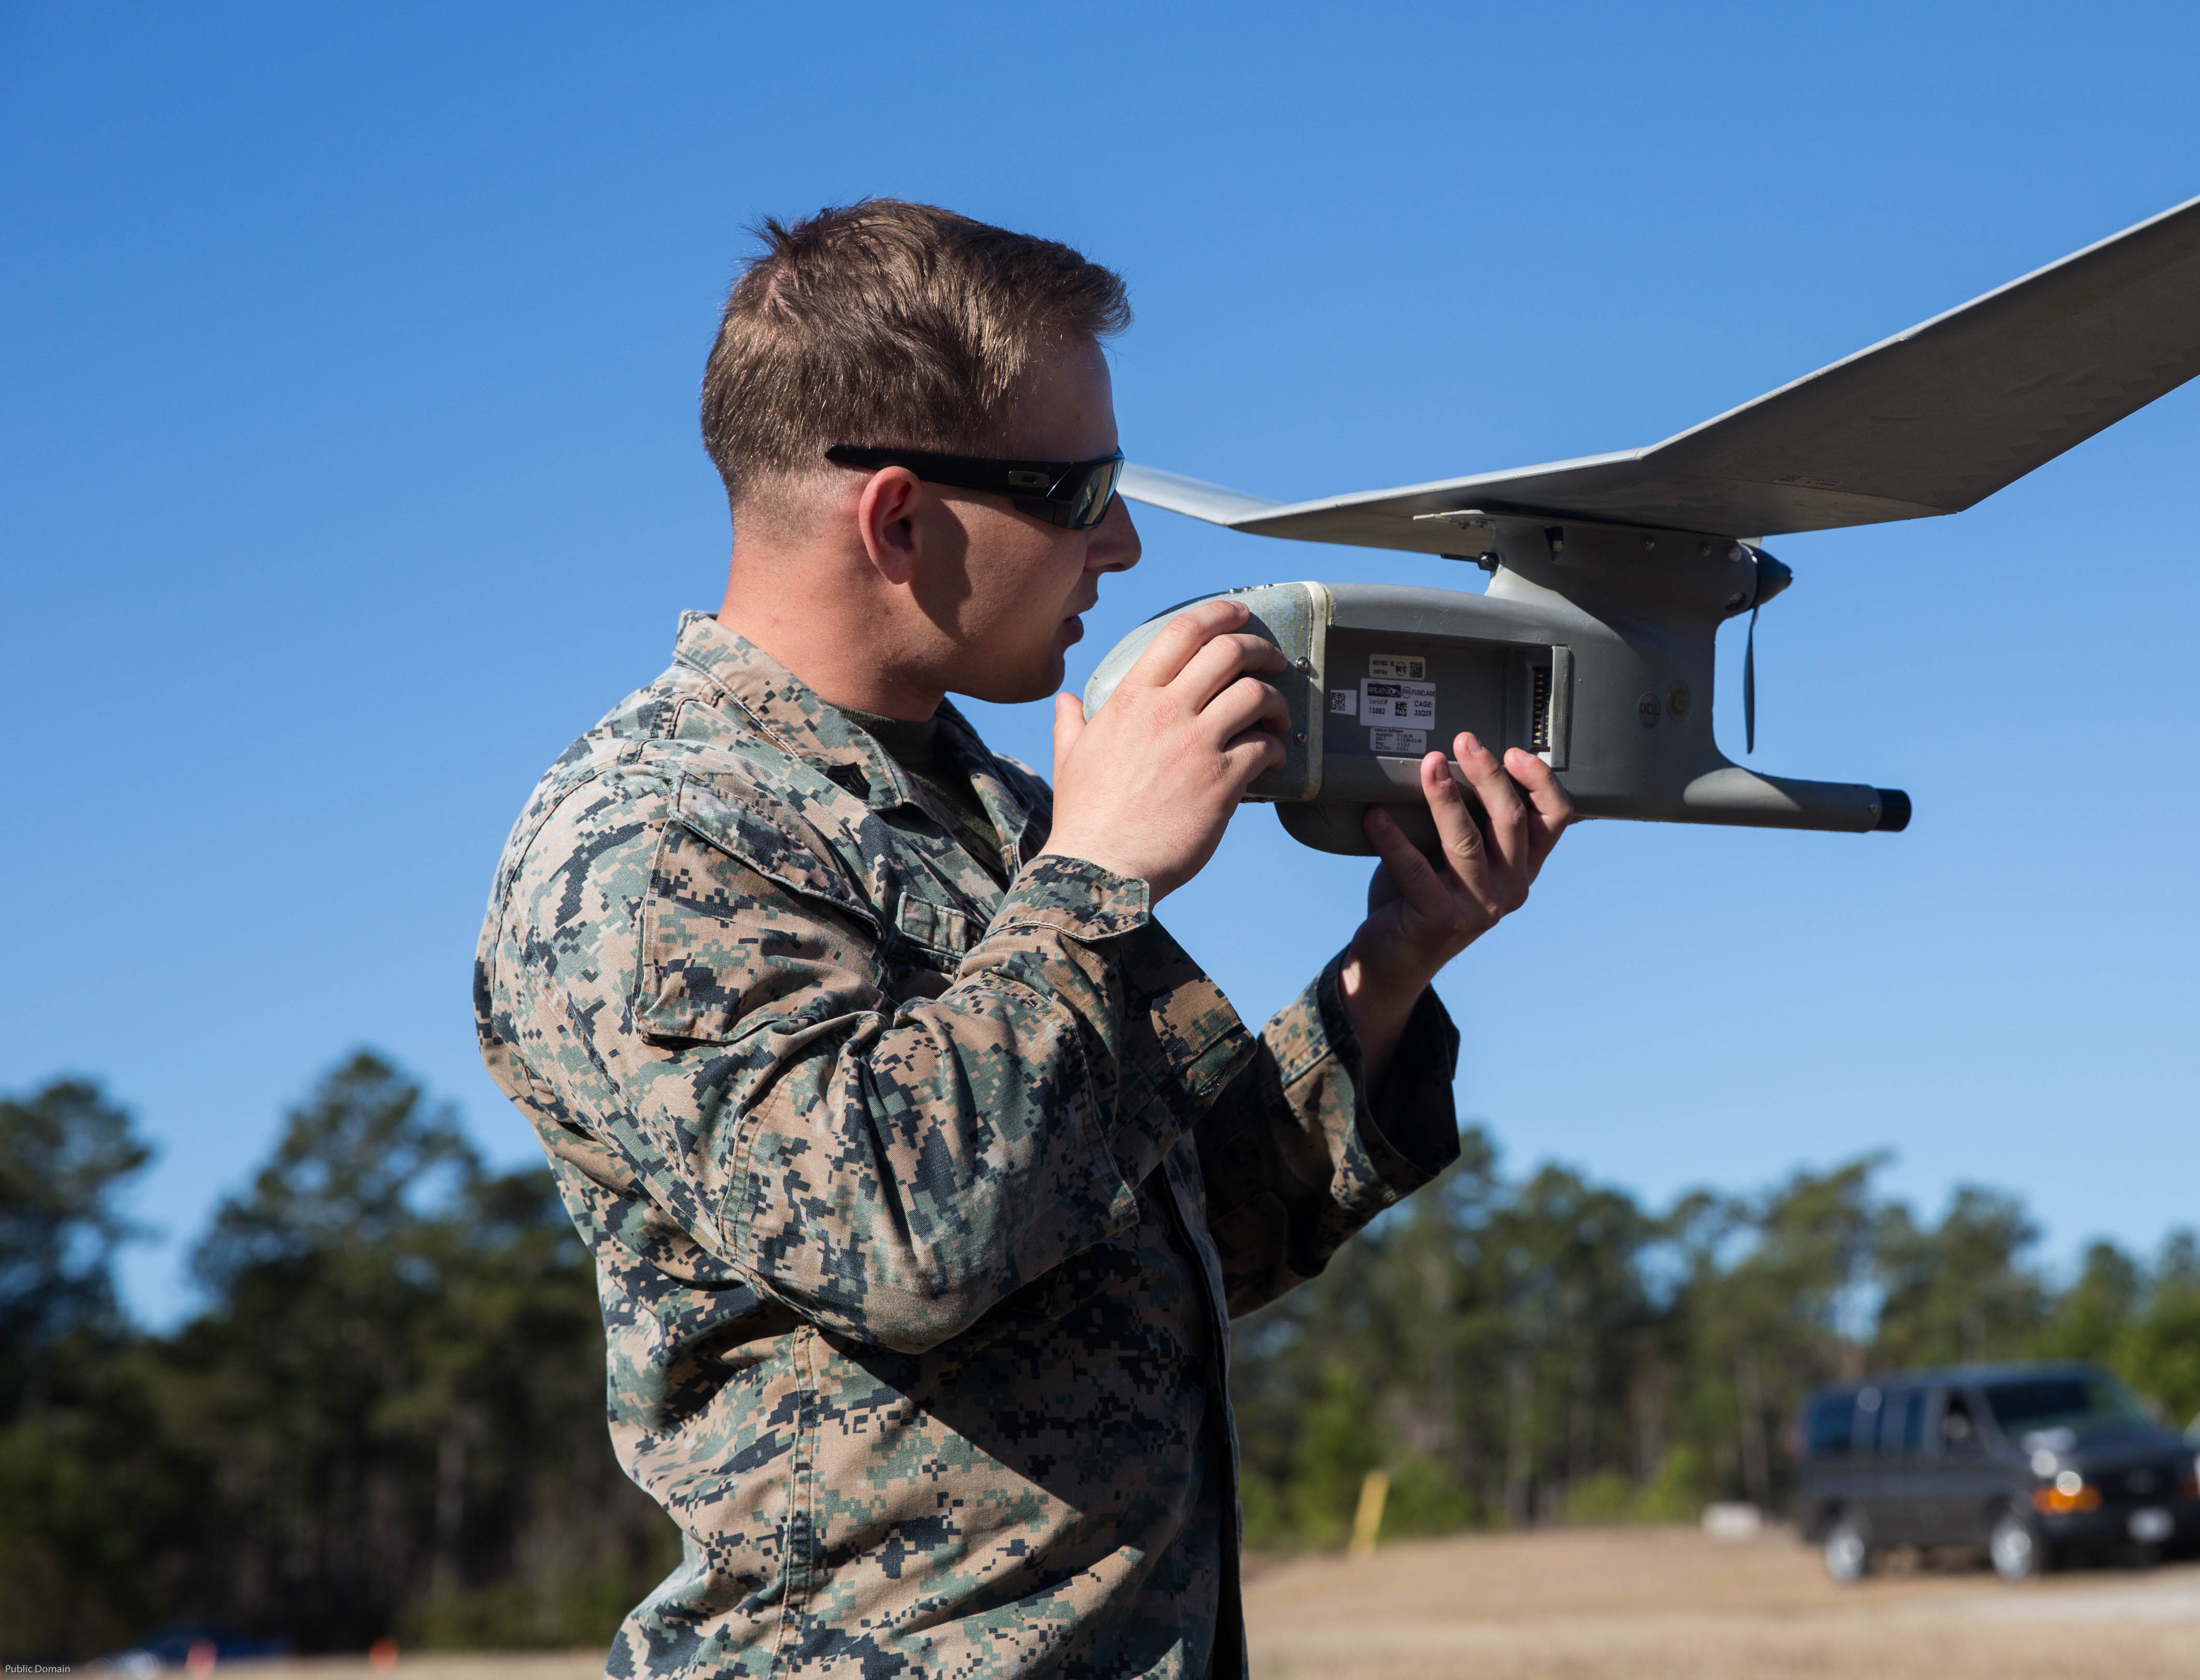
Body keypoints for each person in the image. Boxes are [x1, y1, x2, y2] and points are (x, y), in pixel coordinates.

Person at [474, 200, 1573, 1679]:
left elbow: (1183, 1248)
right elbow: (903, 1242)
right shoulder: (653, 839)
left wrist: (1393, 967)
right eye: (1078, 490)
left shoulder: (992, 812)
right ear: (900, 519)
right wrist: (1100, 872)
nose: (1119, 545)